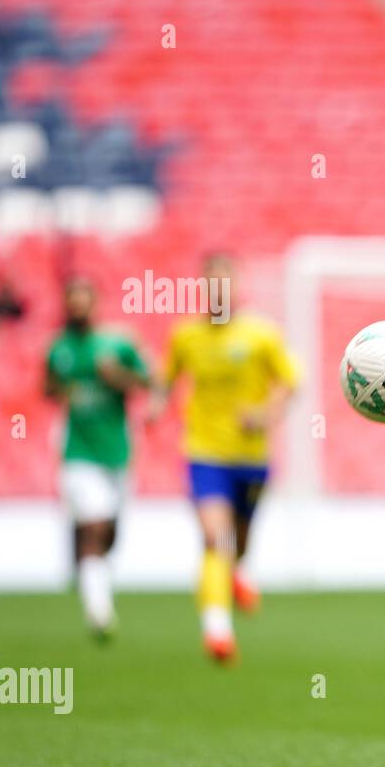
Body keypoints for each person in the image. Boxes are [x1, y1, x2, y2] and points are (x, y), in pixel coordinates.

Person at [150, 254, 300, 662]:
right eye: (211, 283)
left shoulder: (261, 335)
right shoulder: (185, 336)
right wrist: (155, 405)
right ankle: (217, 628)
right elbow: (165, 382)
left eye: (225, 283)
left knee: (241, 543)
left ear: (236, 287)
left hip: (251, 455)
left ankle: (235, 574)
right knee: (215, 538)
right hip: (204, 453)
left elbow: (289, 383)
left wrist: (265, 413)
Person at [44, 277, 153, 640]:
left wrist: (116, 376)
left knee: (111, 534)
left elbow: (147, 381)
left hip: (117, 453)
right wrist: (63, 390)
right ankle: (98, 610)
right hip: (78, 452)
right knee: (95, 526)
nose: (77, 308)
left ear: (95, 303)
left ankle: (88, 573)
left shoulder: (116, 345)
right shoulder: (58, 348)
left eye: (83, 300)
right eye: (71, 301)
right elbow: (46, 387)